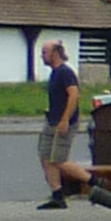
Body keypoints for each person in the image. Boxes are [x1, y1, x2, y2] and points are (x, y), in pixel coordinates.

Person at [35, 40, 84, 208]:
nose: (42, 56)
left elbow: (74, 95)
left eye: (44, 52)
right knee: (45, 157)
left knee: (59, 160)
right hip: (52, 121)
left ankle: (94, 182)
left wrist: (64, 120)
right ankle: (57, 195)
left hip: (64, 123)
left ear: (55, 53)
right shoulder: (55, 73)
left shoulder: (65, 72)